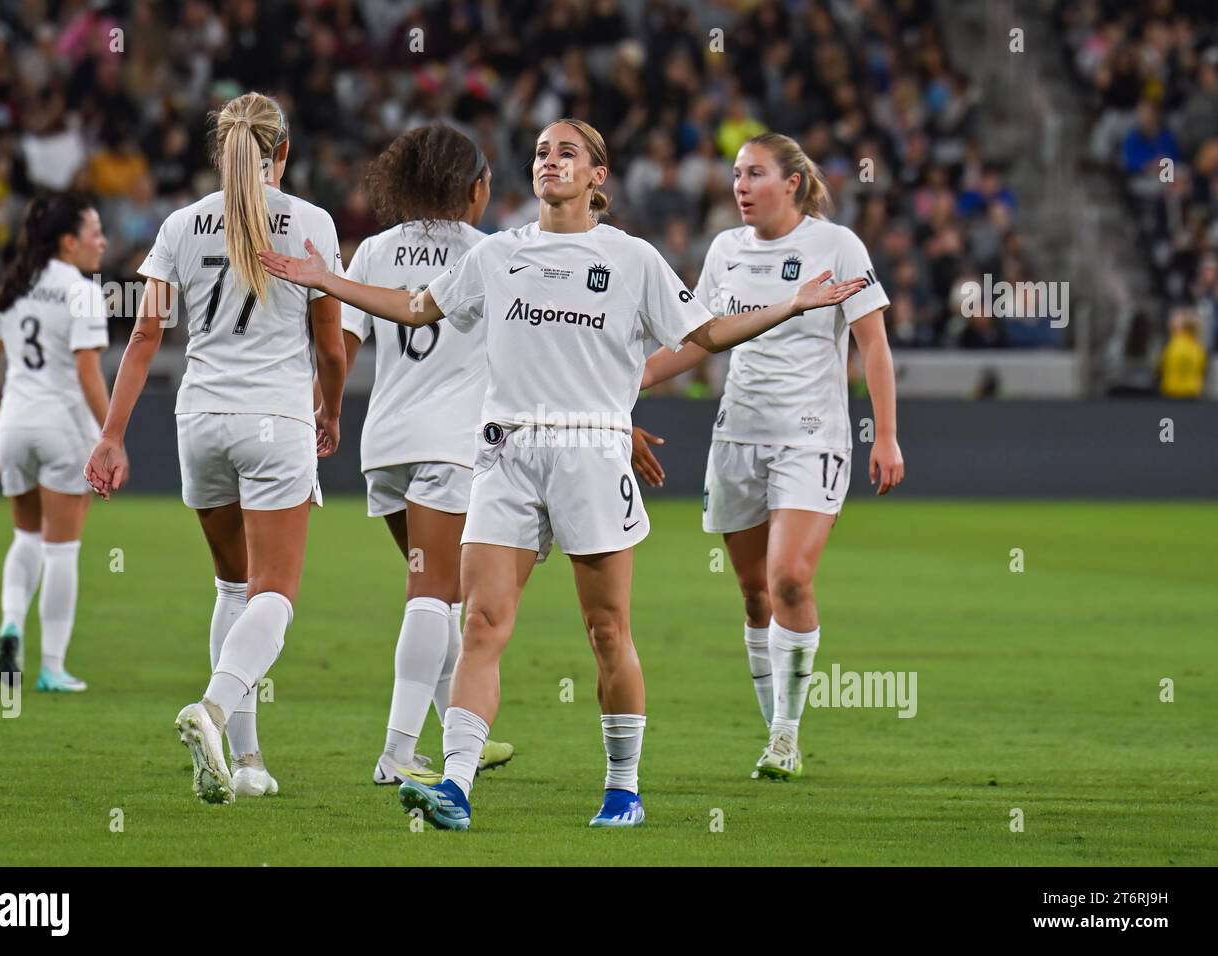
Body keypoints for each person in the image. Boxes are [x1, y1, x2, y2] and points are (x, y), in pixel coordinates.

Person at [259, 119, 866, 829]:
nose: (550, 161)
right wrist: (324, 280)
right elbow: (418, 306)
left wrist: (792, 304)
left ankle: (623, 789)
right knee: (482, 622)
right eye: (543, 152)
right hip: (506, 453)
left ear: (597, 176)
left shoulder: (632, 259)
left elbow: (706, 334)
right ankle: (454, 784)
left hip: (592, 454)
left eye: (567, 152)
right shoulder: (500, 254)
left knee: (607, 631)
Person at [84, 92, 346, 804]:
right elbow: (330, 347)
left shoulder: (178, 225)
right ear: (282, 152)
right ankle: (214, 711)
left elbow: (143, 339)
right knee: (277, 594)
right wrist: (331, 407)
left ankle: (250, 760)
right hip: (275, 419)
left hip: (199, 419)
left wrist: (111, 434)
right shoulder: (313, 223)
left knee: (234, 587)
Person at [638, 133, 903, 780]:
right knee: (755, 594)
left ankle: (786, 735)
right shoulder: (725, 250)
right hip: (737, 436)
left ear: (791, 182)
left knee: (790, 578)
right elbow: (699, 339)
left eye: (755, 174)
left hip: (812, 437)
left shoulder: (836, 246)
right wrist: (628, 382)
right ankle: (774, 731)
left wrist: (887, 434)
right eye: (735, 174)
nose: (740, 186)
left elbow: (872, 344)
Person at [341, 124, 514, 786]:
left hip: (385, 446)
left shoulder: (374, 251)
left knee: (439, 596)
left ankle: (455, 732)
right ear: (473, 190)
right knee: (435, 592)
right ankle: (396, 753)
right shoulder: (492, 255)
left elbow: (341, 344)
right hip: (452, 444)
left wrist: (325, 410)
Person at [0, 192, 111, 693]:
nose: (104, 241)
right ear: (69, 241)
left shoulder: (14, 286)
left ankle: (11, 623)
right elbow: (87, 371)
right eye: (95, 231)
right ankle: (52, 666)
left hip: (13, 424)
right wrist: (112, 433)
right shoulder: (80, 291)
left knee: (25, 538)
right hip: (62, 428)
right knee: (61, 550)